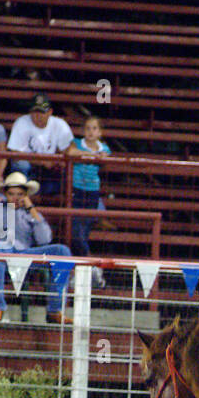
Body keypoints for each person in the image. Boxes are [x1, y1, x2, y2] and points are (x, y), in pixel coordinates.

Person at [0, 171, 71, 323]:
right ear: (5, 194)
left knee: (62, 251)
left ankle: (55, 310)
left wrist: (31, 209)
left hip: (25, 253)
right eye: (12, 194)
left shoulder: (32, 213)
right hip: (1, 254)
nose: (15, 198)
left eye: (20, 194)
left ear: (26, 195)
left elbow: (45, 240)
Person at [5, 93, 73, 196]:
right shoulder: (21, 122)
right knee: (21, 164)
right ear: (30, 112)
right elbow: (15, 154)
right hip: (29, 167)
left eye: (42, 112)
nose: (38, 116)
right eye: (35, 112)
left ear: (50, 112)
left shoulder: (59, 124)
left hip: (50, 169)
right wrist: (42, 161)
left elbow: (68, 149)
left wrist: (56, 161)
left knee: (66, 169)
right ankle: (22, 196)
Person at [70, 115, 110, 287]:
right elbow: (70, 152)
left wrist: (99, 156)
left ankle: (83, 267)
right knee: (75, 229)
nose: (90, 132)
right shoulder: (77, 143)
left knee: (84, 229)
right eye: (87, 128)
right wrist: (88, 154)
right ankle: (90, 265)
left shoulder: (104, 148)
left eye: (94, 128)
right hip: (77, 190)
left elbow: (106, 158)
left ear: (100, 132)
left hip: (92, 191)